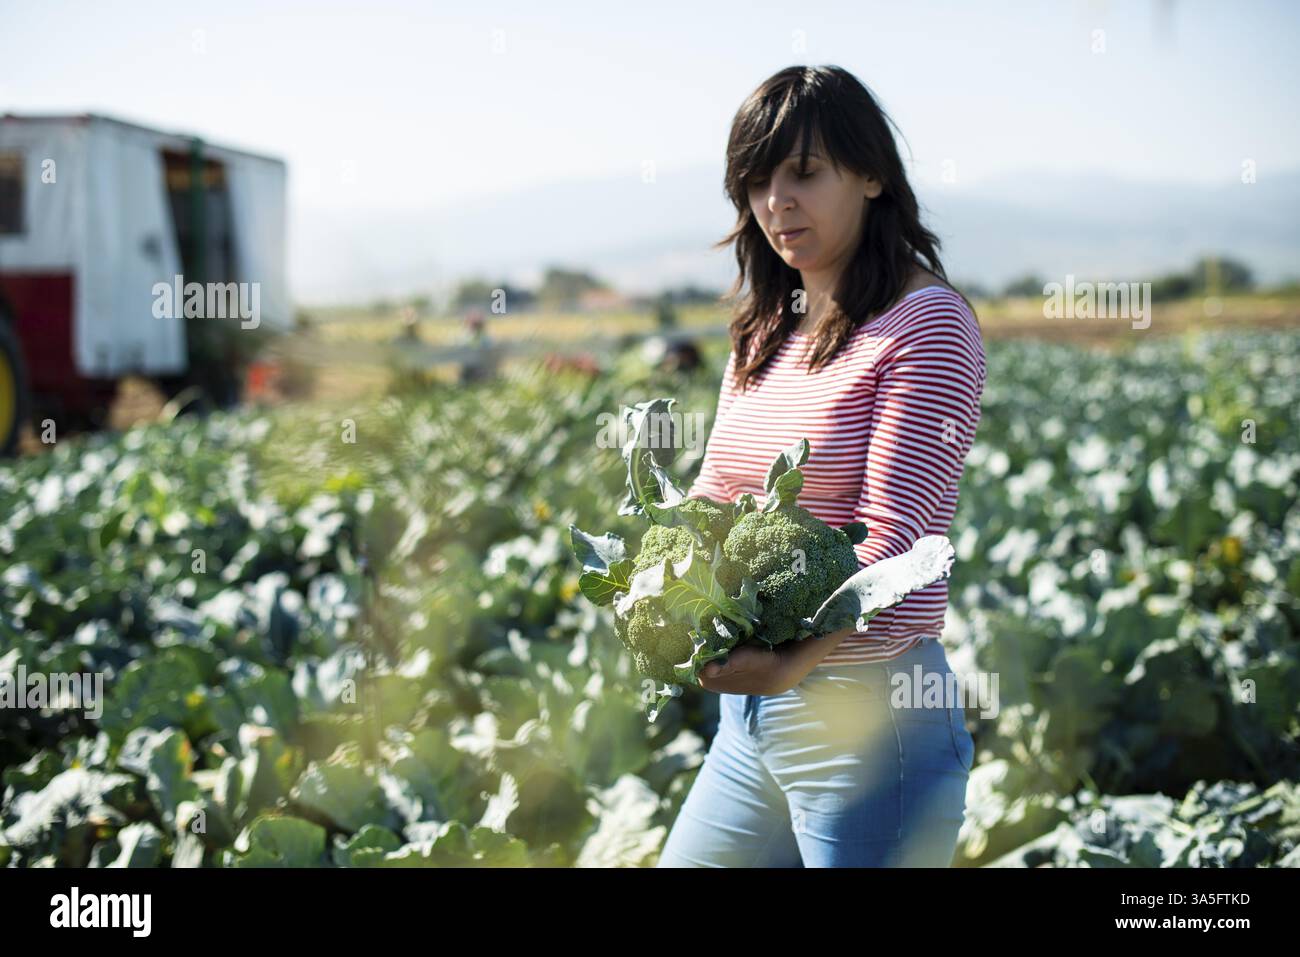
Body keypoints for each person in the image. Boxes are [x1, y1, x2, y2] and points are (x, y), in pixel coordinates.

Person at [655, 65, 986, 868]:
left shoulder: (926, 324)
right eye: (757, 181)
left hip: (871, 725)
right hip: (750, 727)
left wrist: (789, 661)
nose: (777, 202)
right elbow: (714, 498)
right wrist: (667, 580)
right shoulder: (763, 328)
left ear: (871, 174)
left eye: (803, 173)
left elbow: (897, 547)